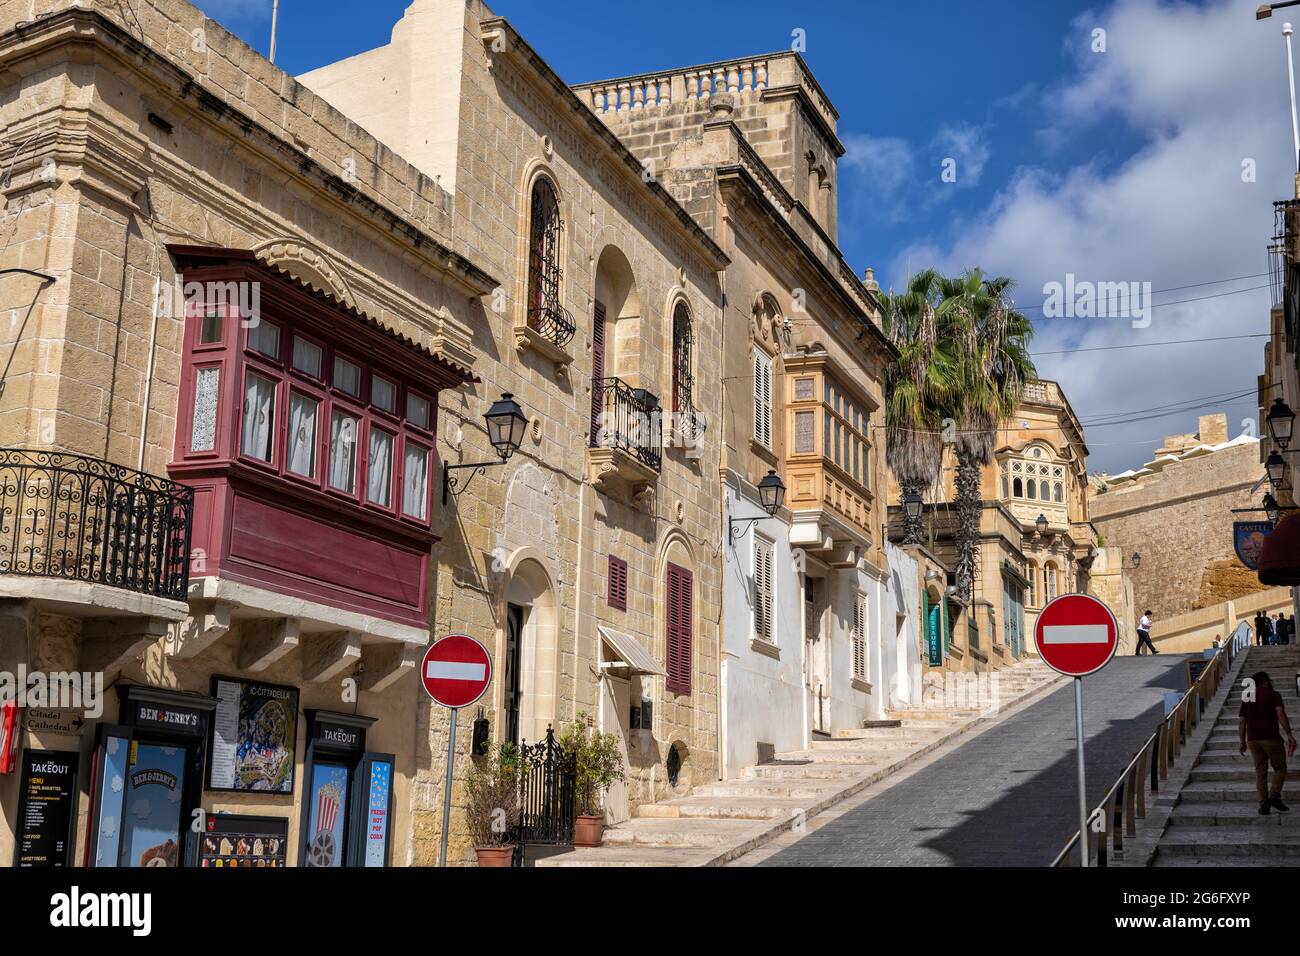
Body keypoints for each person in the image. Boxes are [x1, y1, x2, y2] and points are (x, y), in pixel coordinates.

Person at [1239, 671, 1296, 815]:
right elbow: (1280, 713)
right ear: (1264, 680)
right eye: (1268, 680)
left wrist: (1242, 741)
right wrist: (1289, 735)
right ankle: (1274, 796)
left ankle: (1264, 804)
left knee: (1260, 772)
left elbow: (1241, 721)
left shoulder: (1247, 697)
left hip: (1253, 740)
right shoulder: (1273, 694)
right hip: (1271, 737)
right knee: (1280, 768)